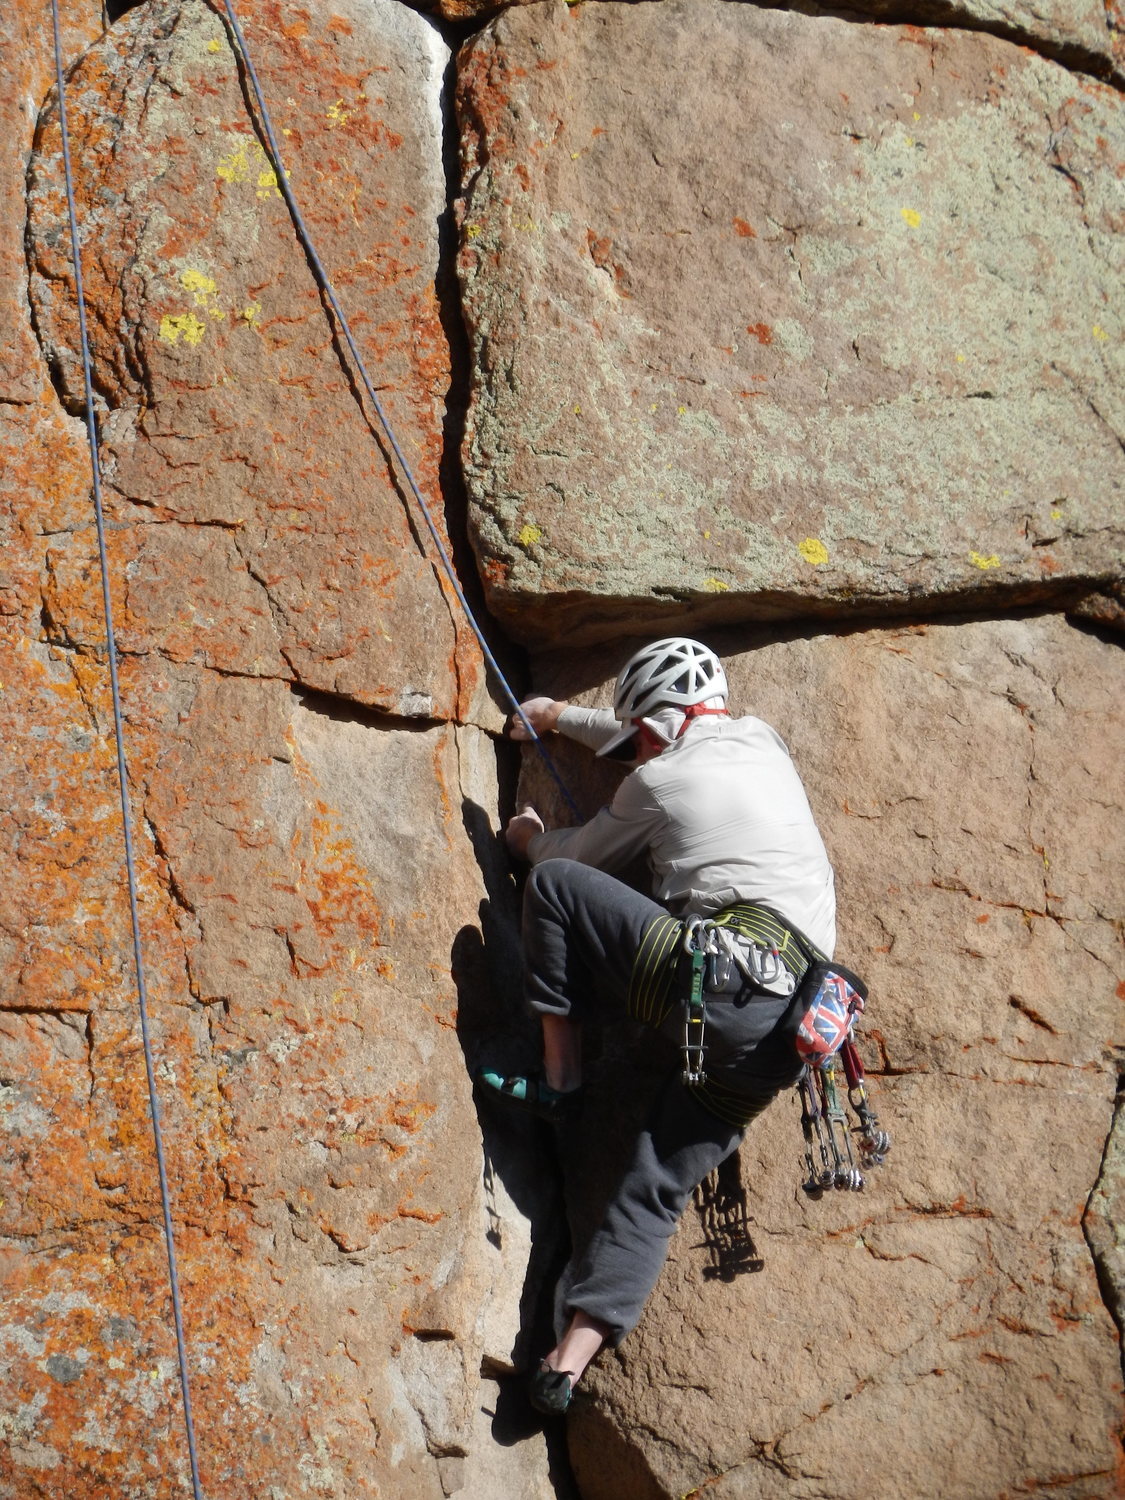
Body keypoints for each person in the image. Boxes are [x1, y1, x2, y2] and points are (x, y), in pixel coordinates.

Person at [477, 638, 836, 1415]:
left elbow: (574, 857)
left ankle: (560, 1080)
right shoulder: (761, 739)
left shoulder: (659, 779)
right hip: (791, 1031)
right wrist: (558, 717)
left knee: (556, 887)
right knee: (654, 1184)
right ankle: (567, 1363)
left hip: (720, 988)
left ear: (659, 727)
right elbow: (650, 734)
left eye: (639, 735)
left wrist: (526, 840)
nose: (633, 750)